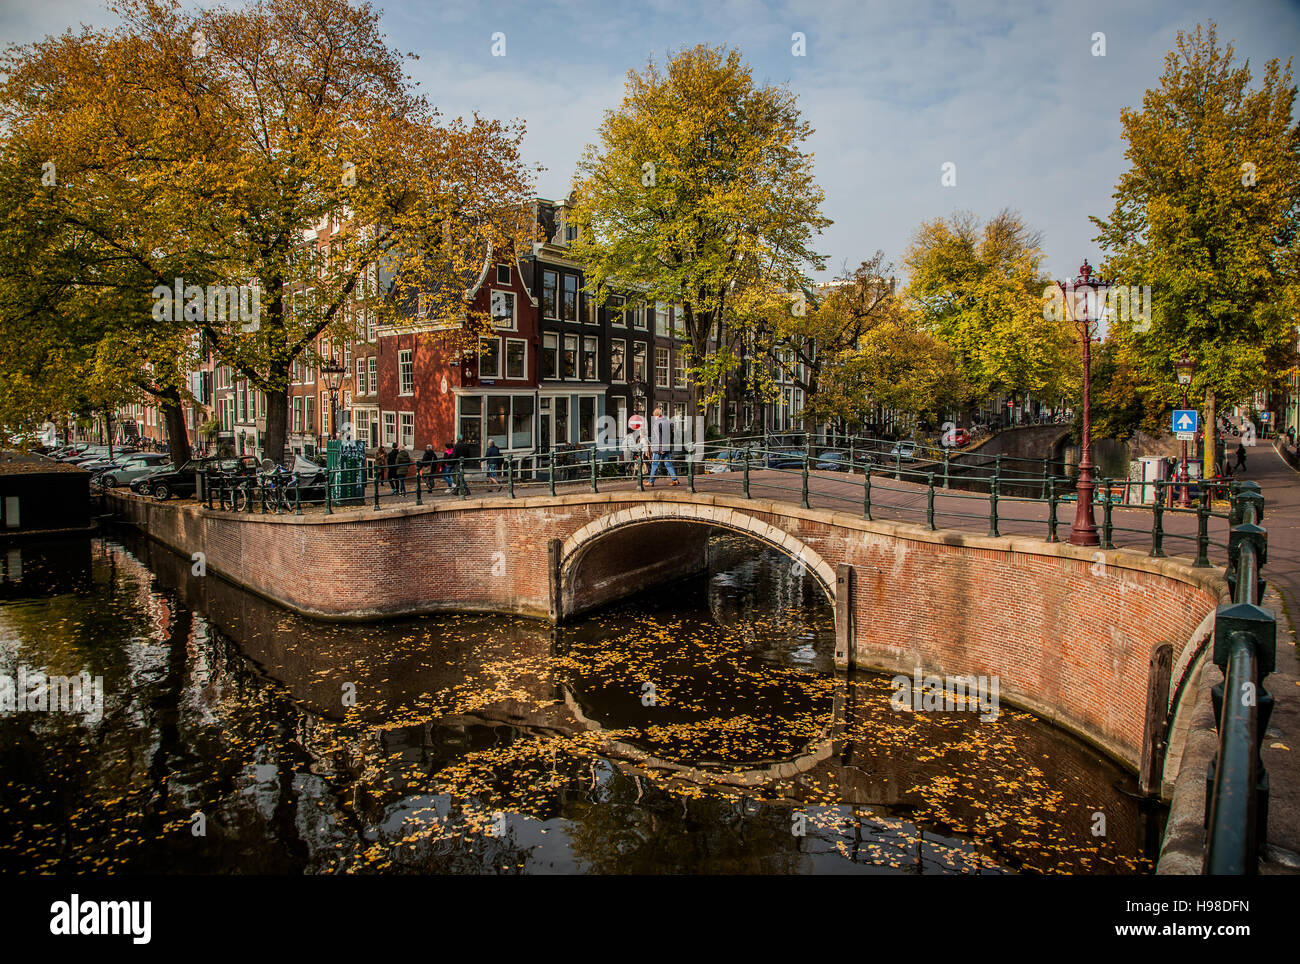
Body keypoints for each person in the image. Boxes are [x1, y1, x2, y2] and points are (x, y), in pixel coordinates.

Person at [647, 407, 679, 487]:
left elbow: (658, 437)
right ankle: (675, 480)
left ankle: (651, 481)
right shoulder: (667, 422)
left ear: (656, 415)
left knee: (654, 464)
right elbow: (671, 435)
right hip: (667, 447)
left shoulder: (657, 423)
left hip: (659, 448)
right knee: (668, 463)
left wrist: (660, 448)